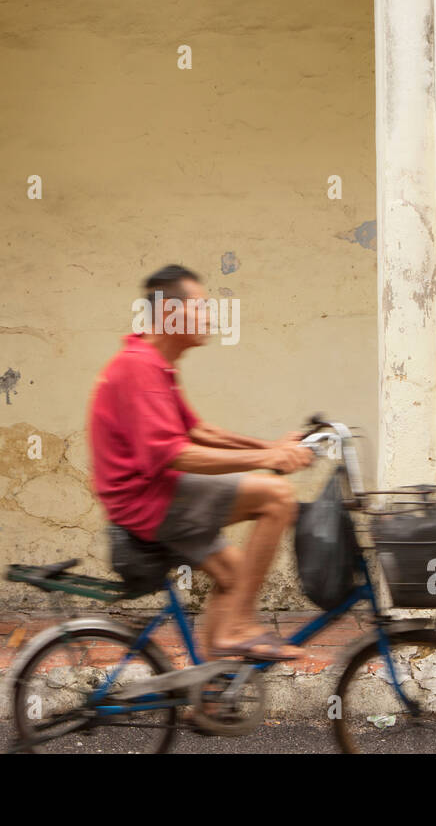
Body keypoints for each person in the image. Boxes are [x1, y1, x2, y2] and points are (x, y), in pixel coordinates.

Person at [88, 265, 313, 662]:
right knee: (278, 497)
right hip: (148, 501)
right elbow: (173, 454)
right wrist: (268, 459)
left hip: (156, 494)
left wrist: (271, 446)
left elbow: (199, 432)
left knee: (233, 575)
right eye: (200, 307)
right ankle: (239, 628)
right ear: (171, 314)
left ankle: (207, 699)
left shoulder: (155, 364)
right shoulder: (137, 367)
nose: (209, 317)